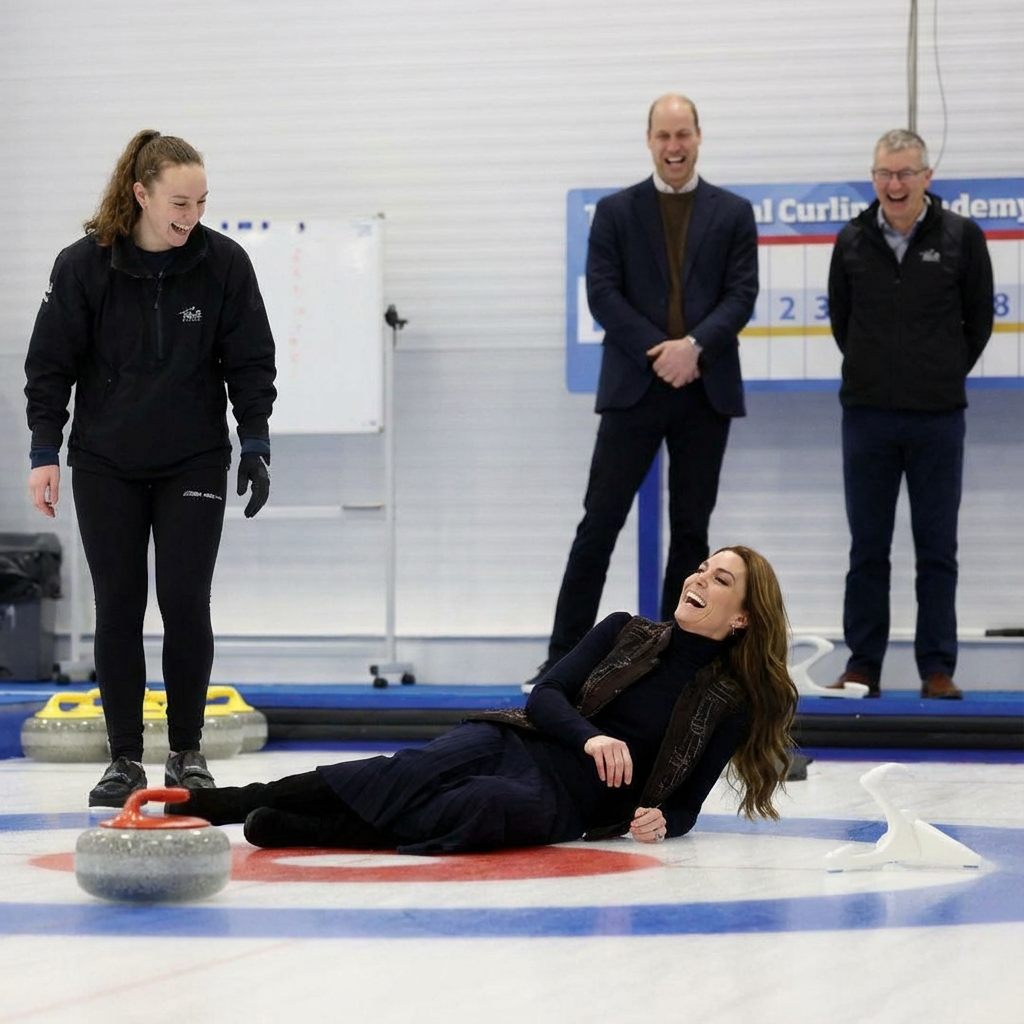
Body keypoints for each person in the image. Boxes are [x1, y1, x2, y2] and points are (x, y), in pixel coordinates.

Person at [168, 546, 799, 855]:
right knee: (413, 771)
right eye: (701, 569)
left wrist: (664, 821)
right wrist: (590, 736)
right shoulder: (623, 629)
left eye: (721, 581)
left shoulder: (731, 703)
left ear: (742, 618)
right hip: (520, 738)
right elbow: (548, 693)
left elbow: (685, 805)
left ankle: (308, 830)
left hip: (570, 802)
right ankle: (217, 806)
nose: (698, 580)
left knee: (483, 806)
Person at [24, 129, 277, 806]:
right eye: (178, 201)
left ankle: (187, 753)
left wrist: (254, 441)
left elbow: (250, 360)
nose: (190, 215)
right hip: (105, 461)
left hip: (192, 456)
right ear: (141, 194)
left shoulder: (224, 264)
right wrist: (44, 450)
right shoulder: (83, 267)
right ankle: (124, 759)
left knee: (186, 603)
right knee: (119, 607)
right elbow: (50, 366)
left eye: (200, 201)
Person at [526, 93, 758, 689]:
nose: (674, 147)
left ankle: (671, 667)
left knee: (692, 533)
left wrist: (693, 348)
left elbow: (742, 295)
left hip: (704, 389)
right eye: (664, 136)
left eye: (684, 135)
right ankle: (560, 662)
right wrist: (662, 350)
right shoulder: (615, 212)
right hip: (637, 383)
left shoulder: (732, 213)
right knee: (598, 523)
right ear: (649, 140)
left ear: (700, 137)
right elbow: (602, 294)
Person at [827, 129, 994, 699]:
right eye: (884, 174)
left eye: (905, 173)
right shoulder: (850, 241)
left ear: (927, 177)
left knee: (936, 548)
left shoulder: (962, 238)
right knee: (867, 549)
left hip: (937, 418)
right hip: (867, 418)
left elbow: (978, 323)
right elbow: (842, 326)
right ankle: (863, 667)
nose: (894, 185)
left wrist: (937, 373)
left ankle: (937, 668)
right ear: (873, 178)